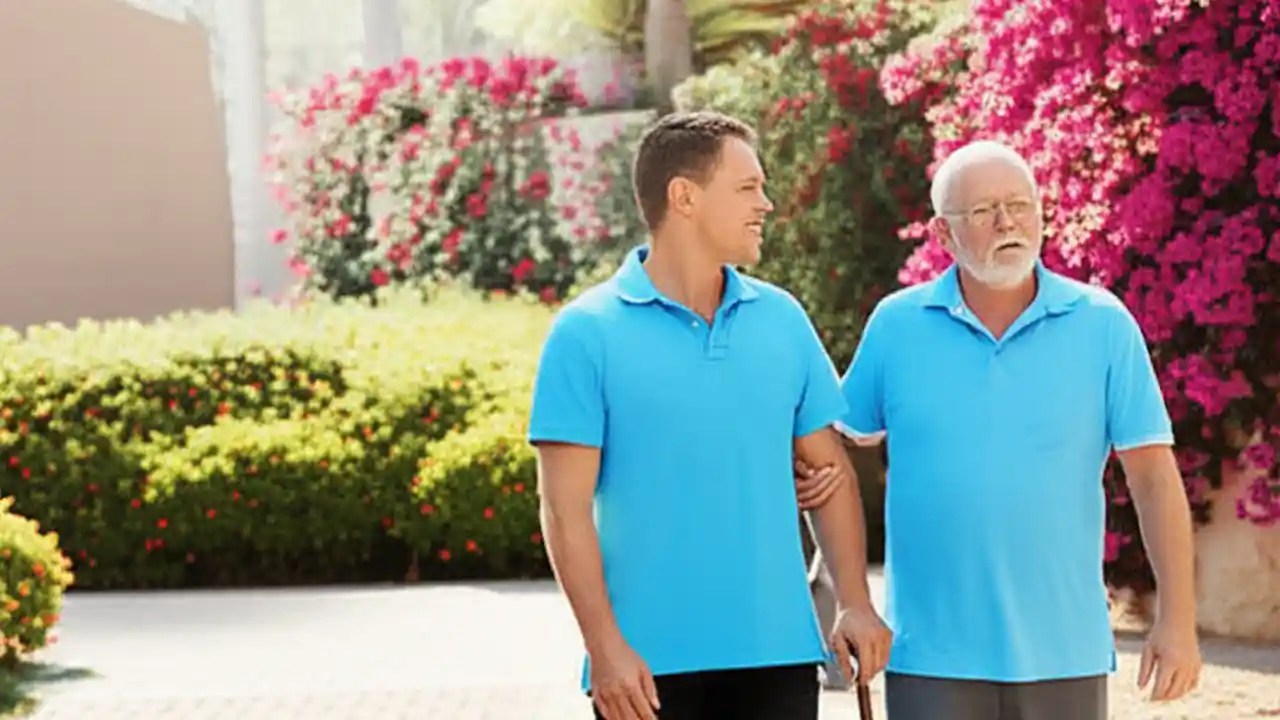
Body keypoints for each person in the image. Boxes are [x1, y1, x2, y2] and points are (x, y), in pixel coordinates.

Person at [800, 139, 1203, 719]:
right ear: (943, 235)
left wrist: (1178, 620)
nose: (1008, 221)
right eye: (984, 211)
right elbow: (835, 441)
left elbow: (1155, 478)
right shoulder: (897, 325)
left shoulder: (1104, 324)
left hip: (1064, 652)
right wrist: (852, 598)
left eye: (1020, 205)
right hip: (930, 655)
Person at [527, 110, 893, 720]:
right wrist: (604, 648)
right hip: (645, 667)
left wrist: (854, 601)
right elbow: (564, 513)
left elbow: (829, 476)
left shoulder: (782, 319)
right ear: (685, 197)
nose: (767, 204)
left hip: (777, 656)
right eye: (748, 187)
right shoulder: (585, 333)